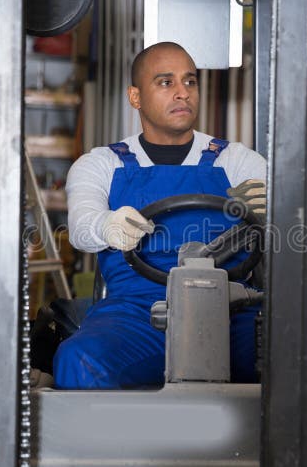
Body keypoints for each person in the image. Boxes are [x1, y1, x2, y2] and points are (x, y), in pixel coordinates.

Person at [54, 41, 267, 389]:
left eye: (190, 81)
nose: (183, 92)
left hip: (230, 310)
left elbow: (295, 226)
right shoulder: (101, 164)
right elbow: (80, 227)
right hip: (136, 315)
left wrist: (276, 212)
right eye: (166, 82)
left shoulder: (238, 161)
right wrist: (106, 225)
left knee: (289, 356)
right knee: (79, 360)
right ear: (135, 97)